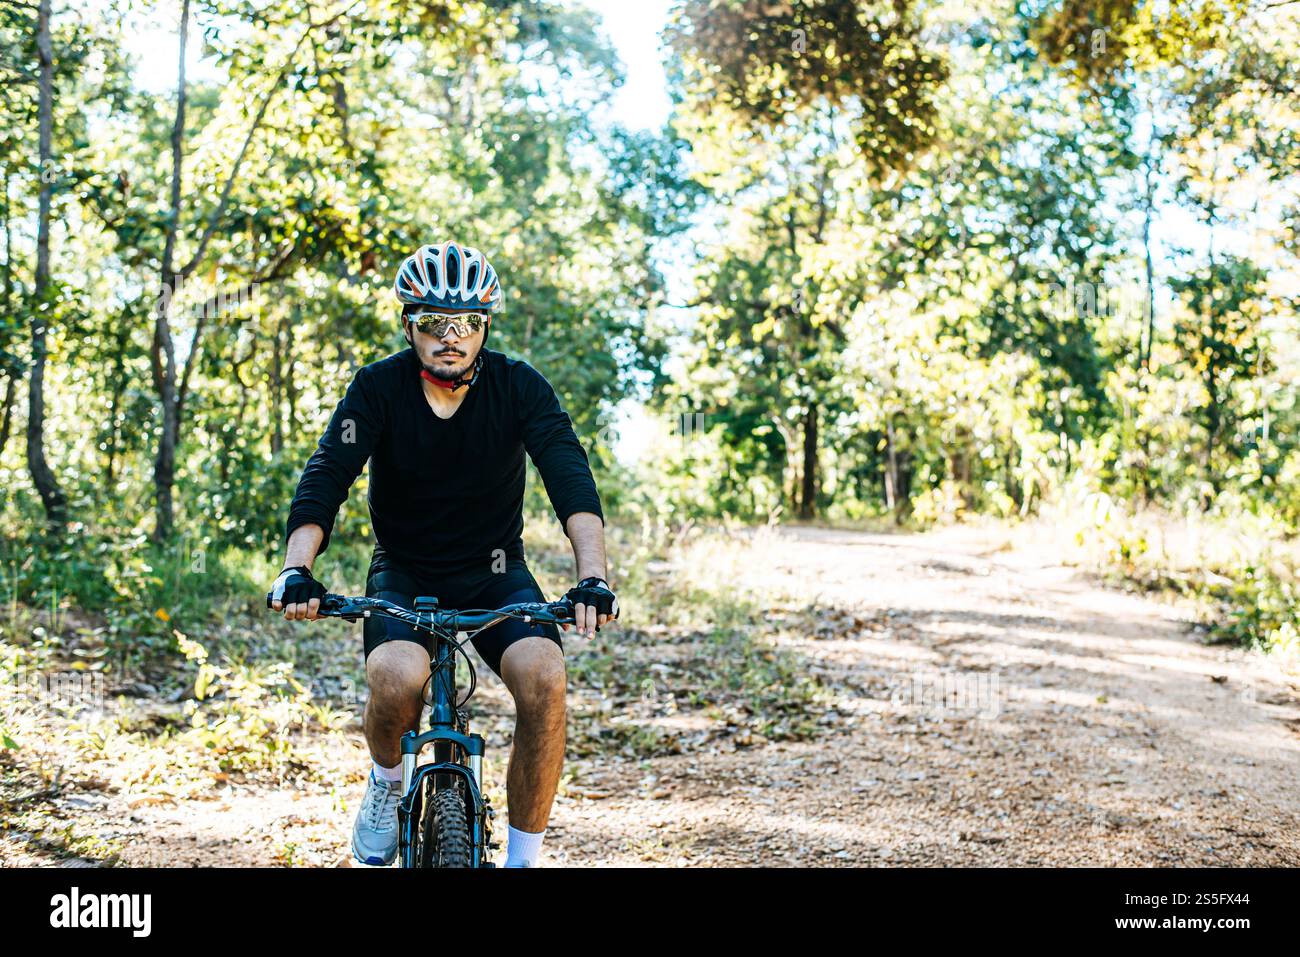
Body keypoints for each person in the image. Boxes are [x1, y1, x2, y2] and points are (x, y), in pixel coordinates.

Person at [268, 240, 619, 867]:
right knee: (398, 678)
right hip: (403, 573)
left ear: (485, 327)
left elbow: (570, 476)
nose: (449, 336)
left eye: (467, 323)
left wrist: (592, 577)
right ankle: (385, 785)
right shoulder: (377, 389)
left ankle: (523, 858)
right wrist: (297, 569)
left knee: (545, 677)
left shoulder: (519, 388)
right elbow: (328, 473)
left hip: (495, 574)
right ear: (409, 325)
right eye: (433, 321)